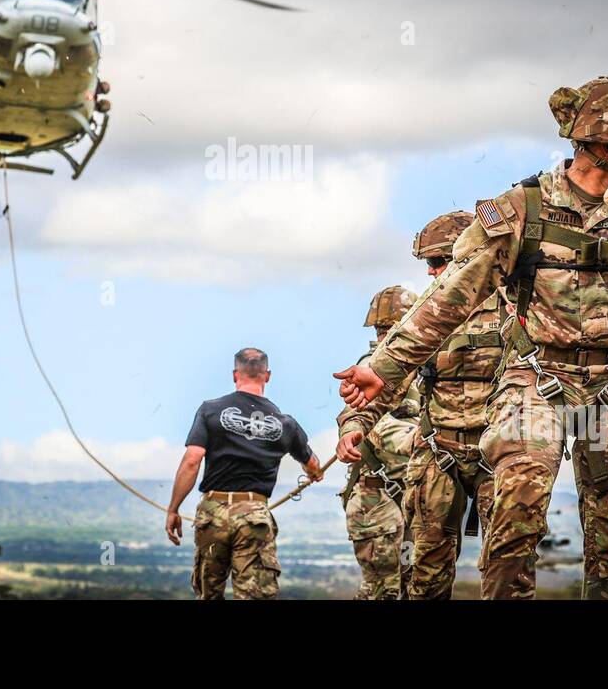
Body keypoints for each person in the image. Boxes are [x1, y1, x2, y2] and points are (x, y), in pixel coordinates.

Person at [337, 76, 608, 599]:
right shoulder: (522, 210)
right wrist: (383, 368)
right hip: (535, 379)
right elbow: (451, 297)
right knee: (516, 512)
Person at [338, 211, 505, 599]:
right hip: (438, 456)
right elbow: (381, 384)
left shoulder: (517, 313)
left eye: (437, 262)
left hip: (497, 457)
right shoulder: (423, 322)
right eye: (427, 264)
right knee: (425, 574)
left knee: (507, 567)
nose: (431, 273)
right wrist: (353, 424)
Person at [166, 347, 321, 599]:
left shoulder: (210, 410)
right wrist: (313, 473)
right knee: (254, 594)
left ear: (235, 374)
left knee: (208, 594)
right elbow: (312, 463)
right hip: (253, 515)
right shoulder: (285, 423)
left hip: (212, 513)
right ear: (267, 376)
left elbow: (192, 460)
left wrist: (174, 508)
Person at [337, 285, 420, 599]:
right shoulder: (369, 369)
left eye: (391, 327)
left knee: (419, 588)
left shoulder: (427, 367)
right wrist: (422, 441)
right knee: (382, 591)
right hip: (377, 498)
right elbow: (373, 426)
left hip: (416, 497)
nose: (385, 335)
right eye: (381, 329)